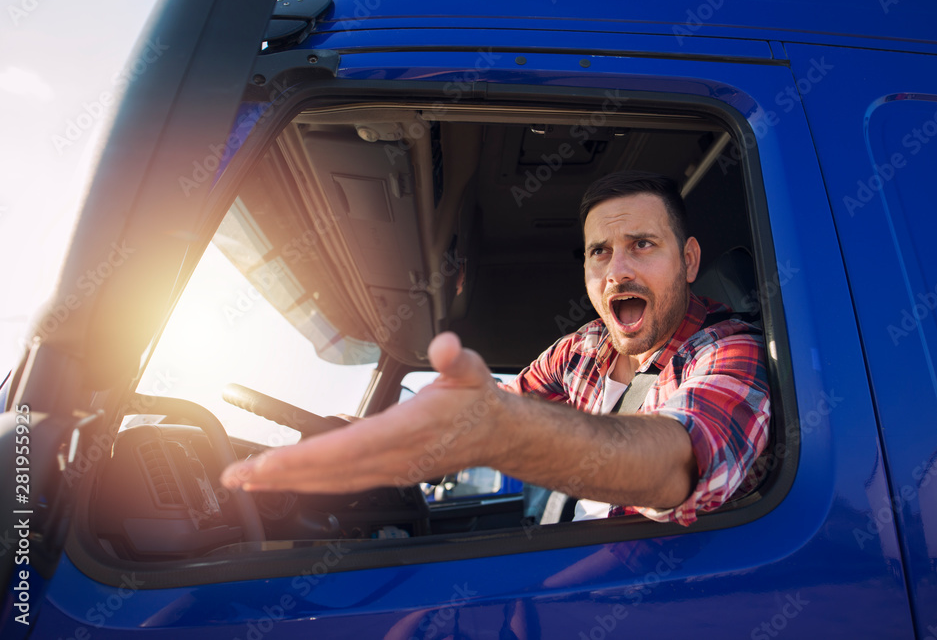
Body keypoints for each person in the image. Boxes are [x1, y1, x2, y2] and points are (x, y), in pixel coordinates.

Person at [221, 171, 770, 526]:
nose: (616, 271)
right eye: (599, 252)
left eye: (642, 245)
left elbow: (681, 462)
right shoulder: (584, 347)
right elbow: (494, 405)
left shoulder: (728, 351)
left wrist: (503, 434)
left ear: (688, 260)